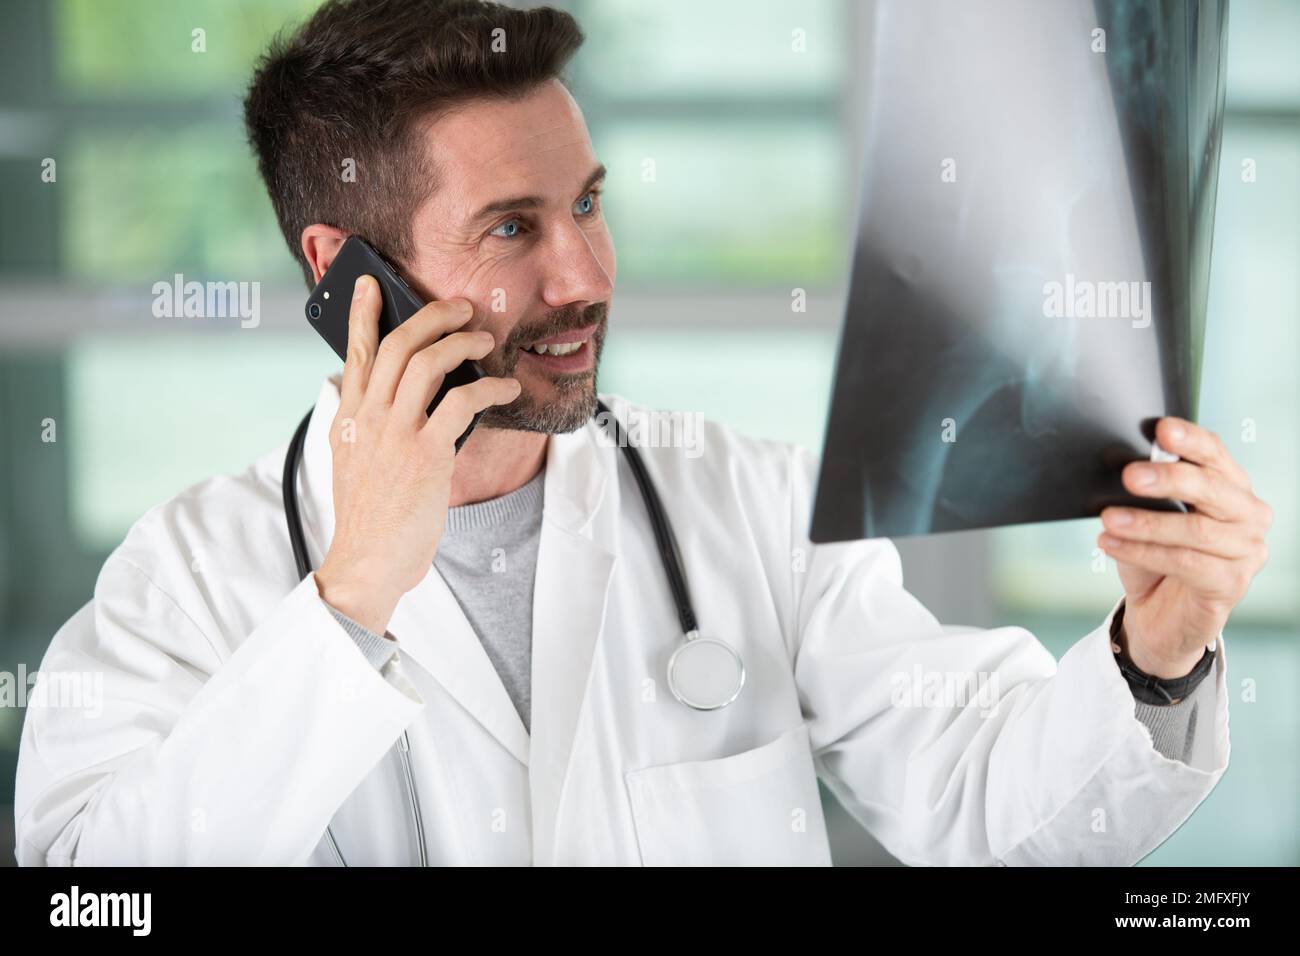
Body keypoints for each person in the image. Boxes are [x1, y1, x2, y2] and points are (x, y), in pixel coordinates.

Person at [13, 0, 1270, 866]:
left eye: (589, 203)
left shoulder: (746, 509)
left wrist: (1153, 652)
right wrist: (346, 605)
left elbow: (986, 800)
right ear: (347, 274)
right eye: (512, 227)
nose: (585, 274)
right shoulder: (190, 578)